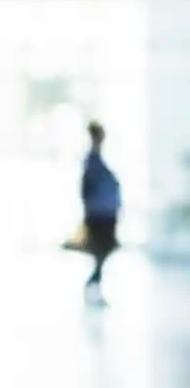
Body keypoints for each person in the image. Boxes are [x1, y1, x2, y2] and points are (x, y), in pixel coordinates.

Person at [81, 120, 121, 306]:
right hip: (99, 215)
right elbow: (86, 190)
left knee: (103, 251)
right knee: (100, 251)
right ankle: (93, 284)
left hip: (105, 213)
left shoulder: (97, 161)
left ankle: (94, 284)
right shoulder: (92, 162)